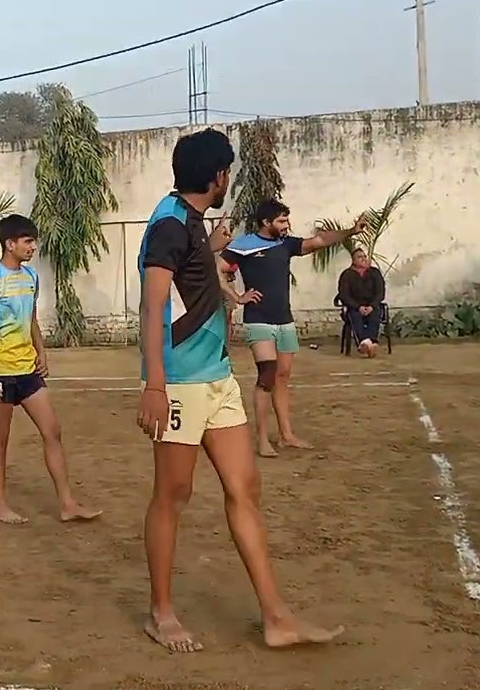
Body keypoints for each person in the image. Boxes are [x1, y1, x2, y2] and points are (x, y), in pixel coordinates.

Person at [137, 129, 341, 653]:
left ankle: (276, 617)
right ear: (218, 175)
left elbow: (194, 281)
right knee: (172, 496)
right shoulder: (167, 225)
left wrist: (214, 247)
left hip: (219, 378)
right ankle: (161, 614)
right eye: (228, 170)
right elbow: (151, 305)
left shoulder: (190, 222)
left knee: (244, 489)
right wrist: (155, 385)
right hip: (181, 382)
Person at [0, 214, 100, 525]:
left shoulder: (30, 278)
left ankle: (67, 503)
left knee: (52, 431)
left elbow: (30, 320)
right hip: (0, 372)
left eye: (33, 241)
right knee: (1, 438)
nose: (33, 247)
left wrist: (41, 350)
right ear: (9, 243)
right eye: (27, 241)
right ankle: (0, 504)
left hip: (28, 370)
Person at [220, 199, 364, 456]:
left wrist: (350, 231)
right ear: (266, 223)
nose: (287, 225)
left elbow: (319, 241)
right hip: (259, 319)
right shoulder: (243, 245)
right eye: (281, 221)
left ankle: (286, 435)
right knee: (267, 376)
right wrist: (237, 296)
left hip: (284, 320)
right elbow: (215, 269)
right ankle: (262, 439)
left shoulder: (286, 245)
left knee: (282, 376)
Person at [338, 247, 386, 357]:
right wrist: (358, 306)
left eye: (365, 256)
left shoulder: (375, 273)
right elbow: (344, 295)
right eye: (360, 257)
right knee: (355, 316)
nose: (364, 259)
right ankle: (370, 344)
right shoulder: (347, 275)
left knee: (375, 314)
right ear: (353, 260)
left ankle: (365, 343)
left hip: (372, 306)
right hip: (354, 307)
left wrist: (372, 306)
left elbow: (380, 293)